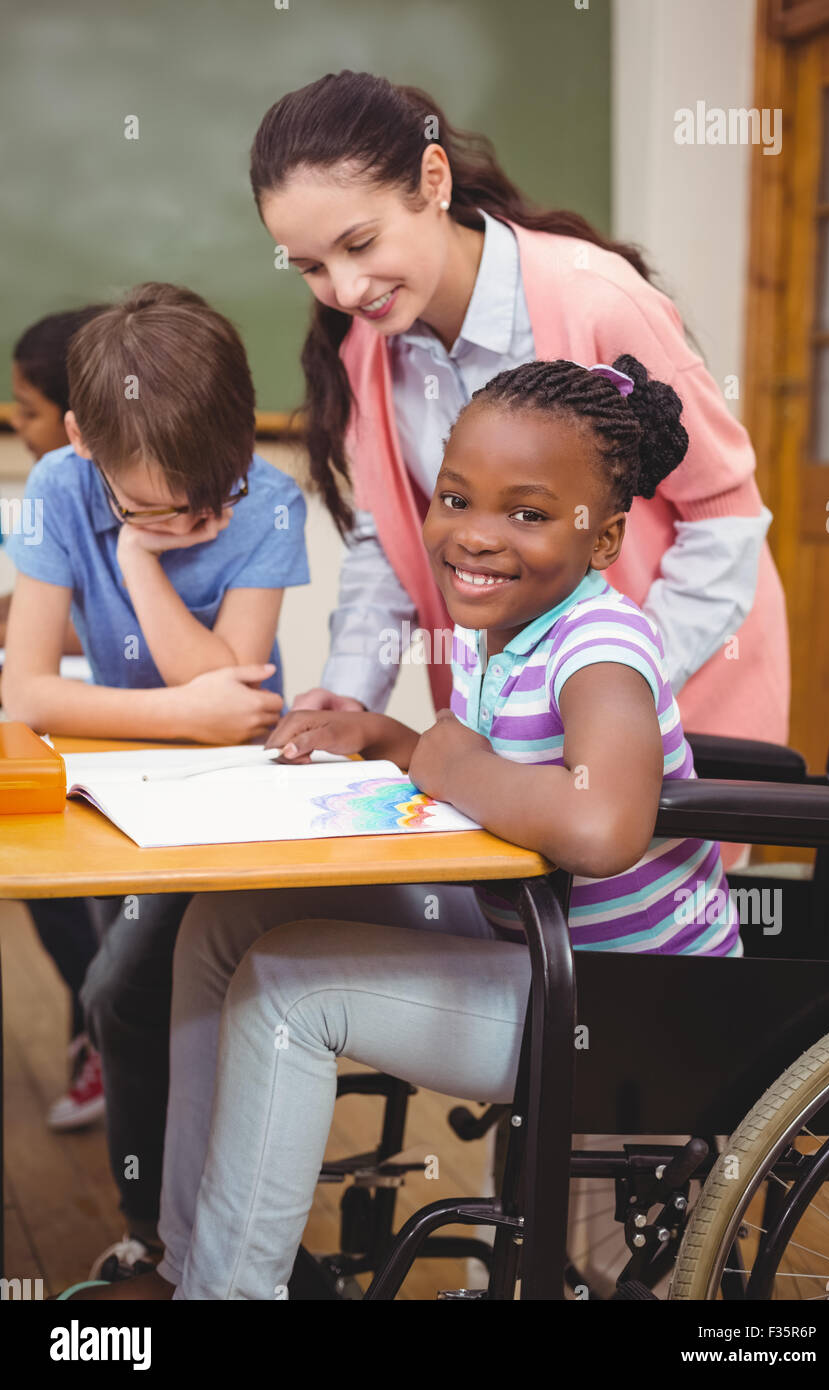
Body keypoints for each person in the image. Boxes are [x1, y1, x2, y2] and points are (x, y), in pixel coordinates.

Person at [65, 354, 742, 1300]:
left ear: (603, 539)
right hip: (526, 934)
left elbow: (601, 827)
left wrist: (441, 757)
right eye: (456, 498)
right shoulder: (505, 630)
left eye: (529, 513)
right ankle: (186, 1263)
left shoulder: (603, 650)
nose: (476, 536)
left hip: (611, 1000)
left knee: (286, 991)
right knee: (217, 927)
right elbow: (476, 762)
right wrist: (389, 737)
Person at [249, 71, 789, 831]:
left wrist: (606, 691)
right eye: (309, 267)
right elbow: (386, 543)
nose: (343, 288)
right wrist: (350, 692)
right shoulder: (368, 354)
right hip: (510, 734)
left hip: (672, 689)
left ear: (432, 180)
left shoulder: (596, 299)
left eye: (360, 243)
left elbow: (724, 513)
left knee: (647, 926)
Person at [3, 281, 309, 1280]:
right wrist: (185, 712)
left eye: (200, 497)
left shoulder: (267, 499)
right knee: (133, 994)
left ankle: (193, 1231)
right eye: (147, 505)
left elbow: (236, 690)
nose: (181, 514)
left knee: (131, 990)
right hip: (129, 791)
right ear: (85, 437)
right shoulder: (57, 483)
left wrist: (135, 562)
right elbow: (30, 694)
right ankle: (163, 1226)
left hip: (236, 799)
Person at [7, 306, 111, 1131]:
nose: (16, 422)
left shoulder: (108, 495)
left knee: (85, 895)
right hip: (59, 716)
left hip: (104, 734)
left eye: (28, 408)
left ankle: (103, 1031)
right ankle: (99, 1030)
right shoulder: (53, 494)